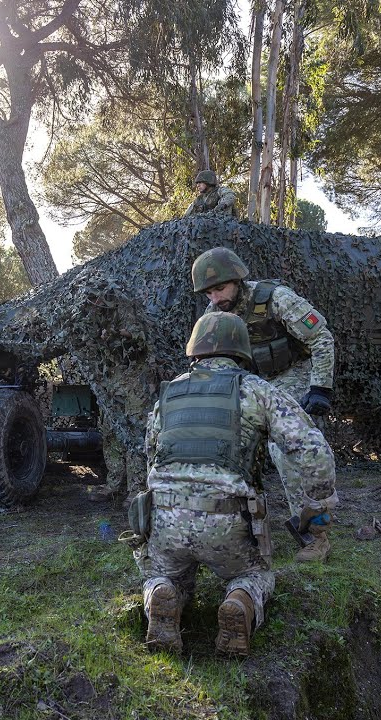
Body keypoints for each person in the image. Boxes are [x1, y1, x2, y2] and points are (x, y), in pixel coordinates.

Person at [140, 312, 338, 656]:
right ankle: (240, 601)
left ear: (195, 352)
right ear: (243, 352)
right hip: (229, 523)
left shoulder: (167, 396)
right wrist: (318, 504)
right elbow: (312, 449)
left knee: (165, 573)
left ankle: (161, 592)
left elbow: (150, 457)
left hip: (166, 522)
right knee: (256, 575)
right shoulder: (257, 391)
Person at [192, 246, 338, 562]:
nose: (215, 298)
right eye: (209, 293)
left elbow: (321, 339)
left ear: (237, 280)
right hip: (253, 382)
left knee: (284, 448)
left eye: (220, 288)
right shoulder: (213, 317)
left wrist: (320, 388)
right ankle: (237, 527)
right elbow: (208, 363)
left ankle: (315, 535)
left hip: (292, 374)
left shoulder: (275, 298)